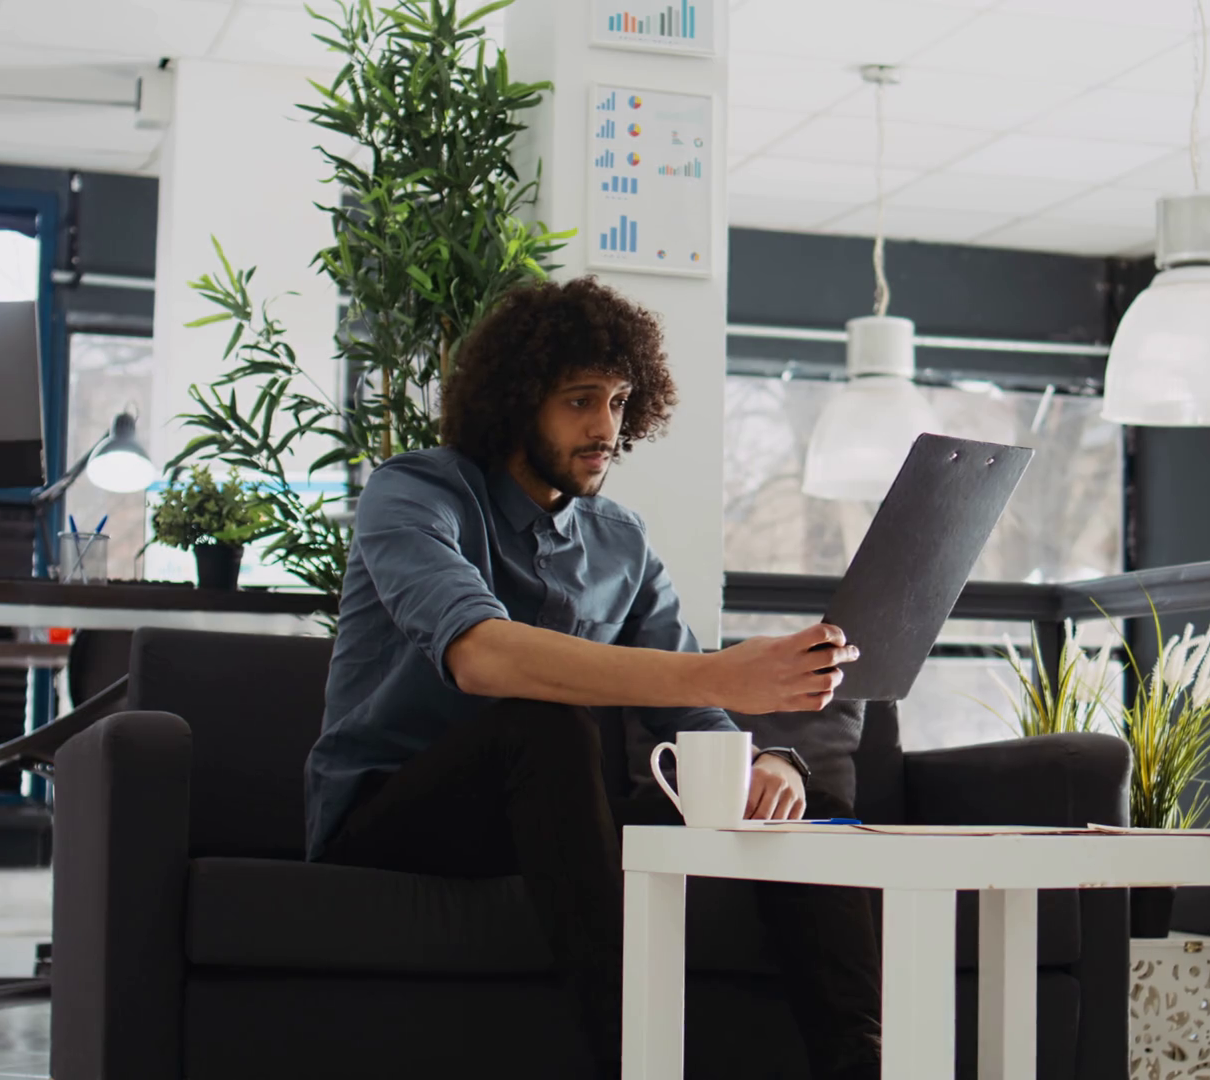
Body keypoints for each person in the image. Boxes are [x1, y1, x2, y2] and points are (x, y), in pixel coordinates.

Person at [306, 277, 881, 1080]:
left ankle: (863, 1067)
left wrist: (764, 765)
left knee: (791, 806)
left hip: (557, 827)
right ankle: (637, 1061)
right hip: (392, 817)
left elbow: (698, 720)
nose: (605, 428)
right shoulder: (415, 493)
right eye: (580, 401)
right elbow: (482, 656)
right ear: (516, 403)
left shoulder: (621, 542)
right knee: (542, 720)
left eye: (617, 402)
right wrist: (718, 673)